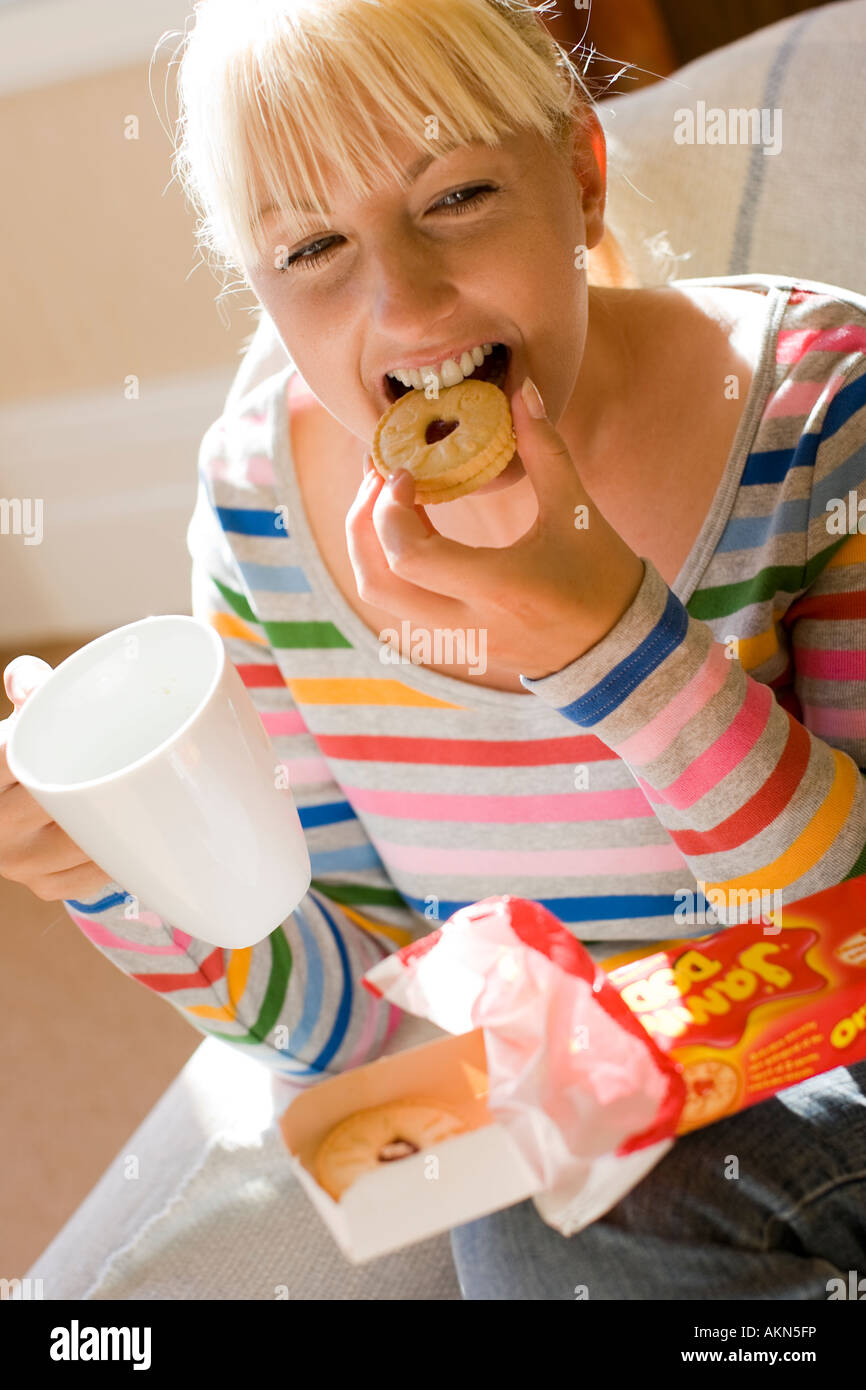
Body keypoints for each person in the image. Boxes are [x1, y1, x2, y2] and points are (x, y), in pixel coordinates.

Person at [1, 0, 865, 1300]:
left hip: (828, 1076)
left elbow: (849, 917)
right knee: (534, 1214)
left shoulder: (818, 408)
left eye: (454, 194)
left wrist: (609, 643)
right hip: (600, 1131)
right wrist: (118, 875)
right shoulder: (256, 515)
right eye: (311, 246)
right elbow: (360, 1031)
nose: (401, 299)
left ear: (579, 173)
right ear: (260, 289)